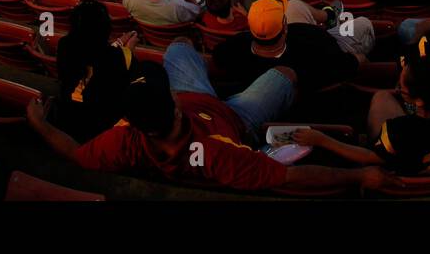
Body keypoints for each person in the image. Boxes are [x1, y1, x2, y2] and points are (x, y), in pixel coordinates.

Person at [26, 50, 393, 193]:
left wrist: (40, 124)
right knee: (285, 72)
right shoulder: (220, 154)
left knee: (179, 49)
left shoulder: (124, 138)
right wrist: (359, 175)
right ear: (171, 105)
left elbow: (77, 154)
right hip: (236, 117)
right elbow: (292, 176)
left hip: (198, 96)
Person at [292, 53, 430, 177]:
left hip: (406, 177)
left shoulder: (400, 130)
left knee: (381, 96)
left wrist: (322, 140)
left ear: (419, 100)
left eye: (402, 88)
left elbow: (371, 158)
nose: (398, 88)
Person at [211, 0, 360, 91]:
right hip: (314, 98)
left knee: (295, 5)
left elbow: (216, 57)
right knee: (364, 24)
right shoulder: (314, 39)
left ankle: (328, 15)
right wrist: (361, 59)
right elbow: (350, 64)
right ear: (285, 27)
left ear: (251, 27)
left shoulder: (230, 49)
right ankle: (330, 15)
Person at [53, 1, 140, 142]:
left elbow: (91, 54)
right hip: (103, 127)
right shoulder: (121, 56)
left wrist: (118, 44)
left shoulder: (64, 44)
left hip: (69, 117)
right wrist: (128, 50)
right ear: (106, 29)